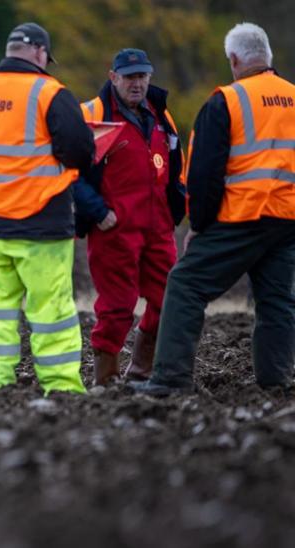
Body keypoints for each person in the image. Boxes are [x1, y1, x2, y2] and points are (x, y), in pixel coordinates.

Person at [133, 23, 295, 395]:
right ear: (267, 57)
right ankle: (275, 382)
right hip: (287, 221)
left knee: (185, 285)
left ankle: (170, 379)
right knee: (277, 301)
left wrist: (200, 226)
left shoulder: (227, 100)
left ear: (234, 60)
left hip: (243, 217)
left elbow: (205, 175)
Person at [0, 22, 94, 394]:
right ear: (39, 53)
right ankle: (61, 386)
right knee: (51, 311)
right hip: (43, 226)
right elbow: (81, 152)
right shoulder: (52, 93)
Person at [74, 48, 185, 386]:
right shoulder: (94, 116)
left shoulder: (162, 115)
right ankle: (106, 381)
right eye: (129, 76)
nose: (137, 83)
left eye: (142, 76)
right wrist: (98, 211)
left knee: (171, 299)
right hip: (115, 229)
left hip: (158, 228)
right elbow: (69, 173)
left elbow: (176, 166)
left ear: (150, 76)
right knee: (118, 305)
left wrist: (176, 208)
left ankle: (142, 370)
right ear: (113, 77)